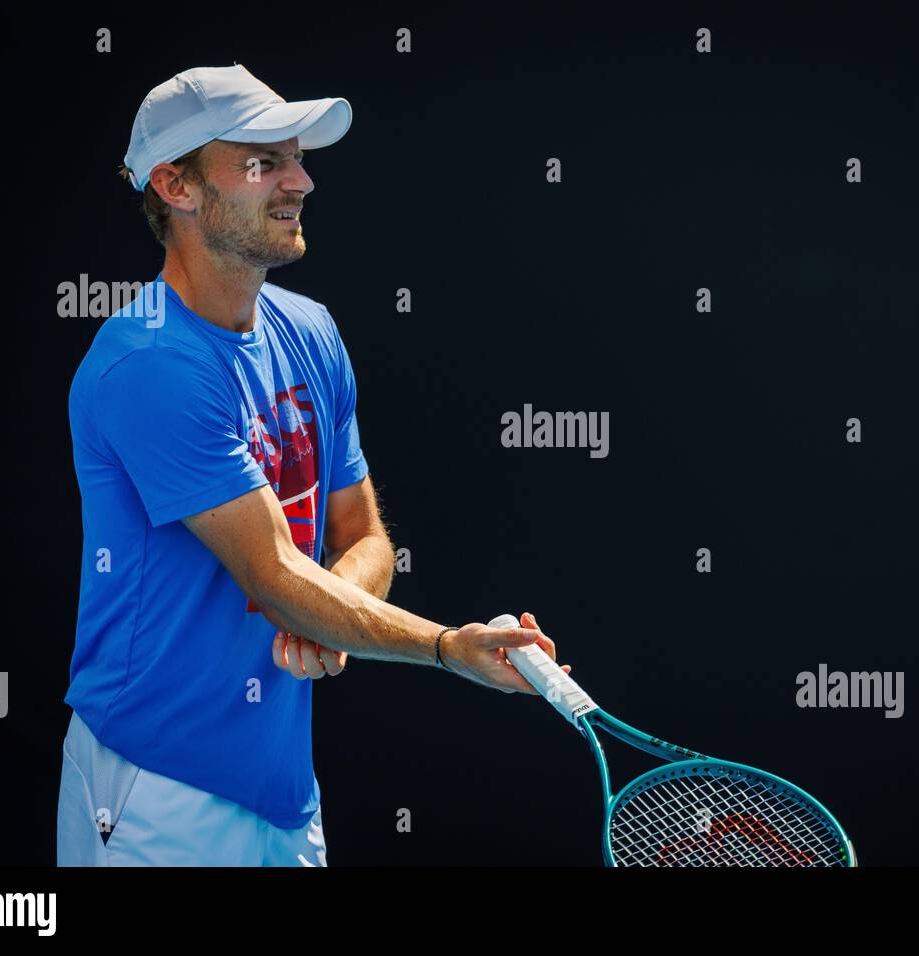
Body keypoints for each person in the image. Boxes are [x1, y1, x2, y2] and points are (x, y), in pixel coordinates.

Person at [58, 65, 566, 866]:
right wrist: (445, 646)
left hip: (287, 786)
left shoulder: (311, 330)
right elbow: (274, 574)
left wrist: (328, 615)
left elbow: (360, 533)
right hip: (155, 788)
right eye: (263, 162)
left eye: (294, 158)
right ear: (175, 184)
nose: (301, 180)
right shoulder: (149, 364)